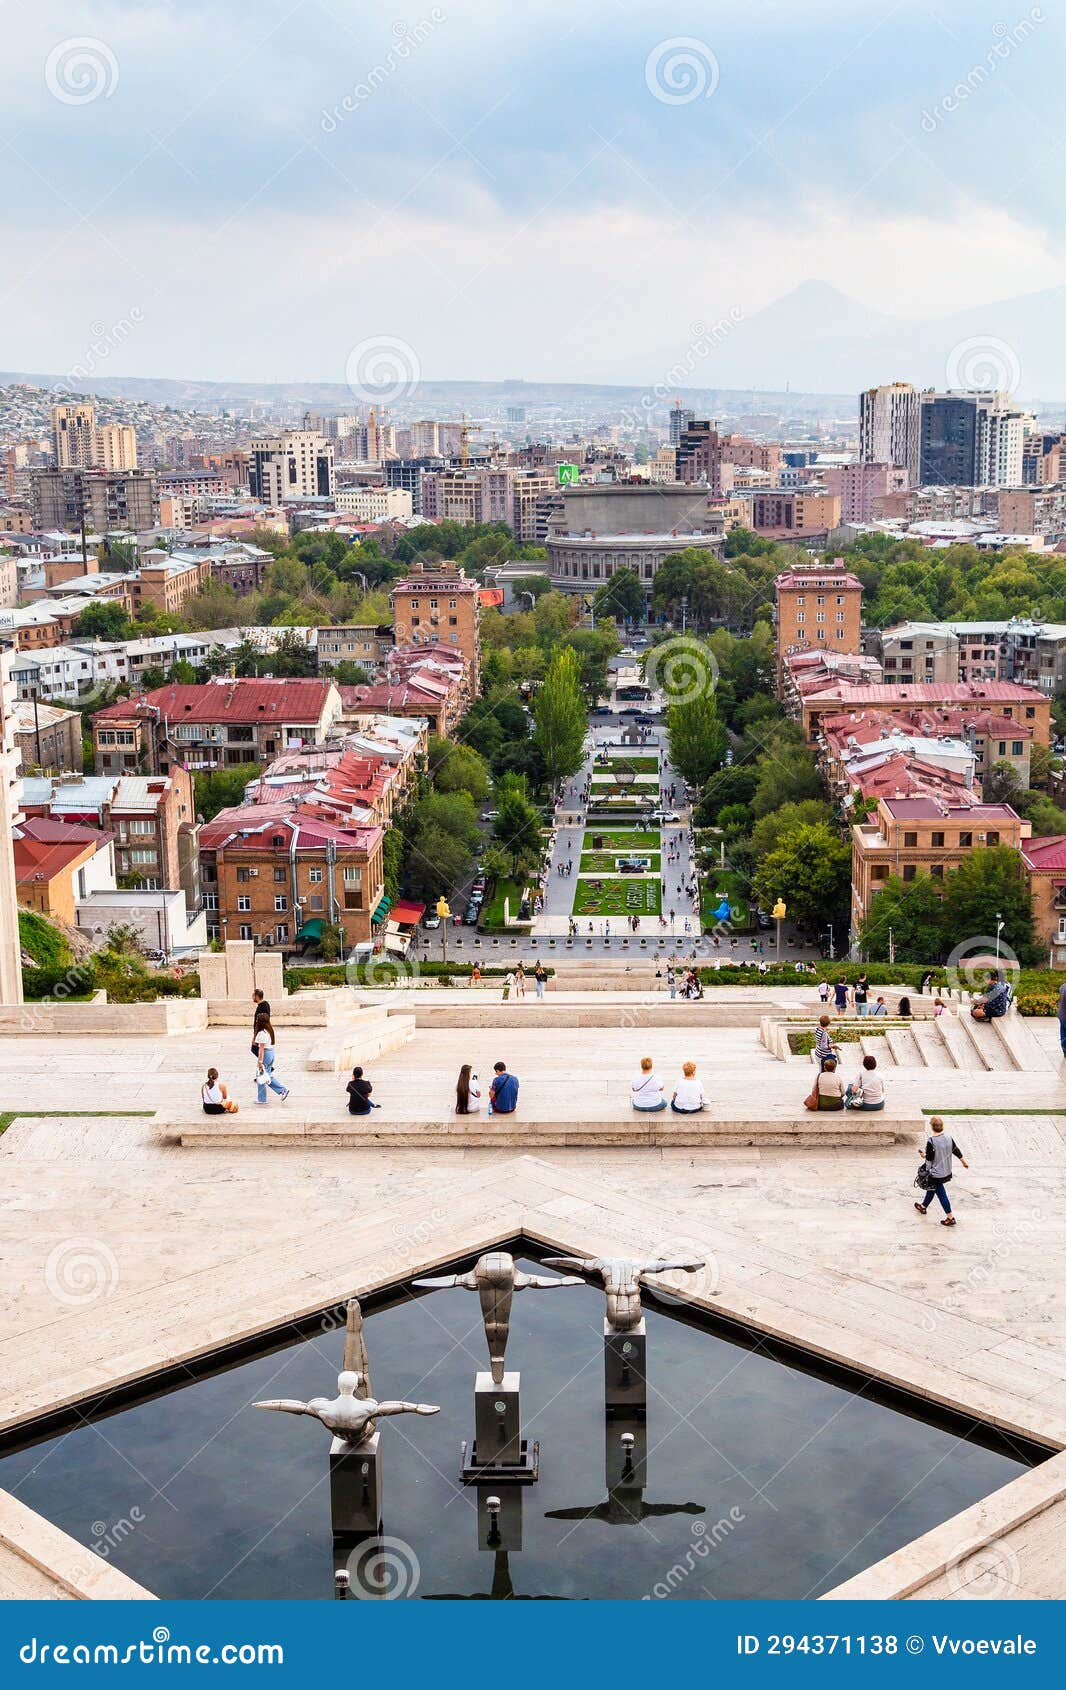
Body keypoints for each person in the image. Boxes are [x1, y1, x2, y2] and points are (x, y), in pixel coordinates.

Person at [914, 1115, 969, 1226]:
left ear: (932, 1127)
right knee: (932, 1188)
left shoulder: (931, 1141)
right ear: (942, 1126)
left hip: (935, 1173)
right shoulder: (949, 1137)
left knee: (941, 1194)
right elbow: (956, 1150)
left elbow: (929, 1159)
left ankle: (950, 1217)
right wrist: (964, 1162)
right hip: (946, 1171)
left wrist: (927, 1168)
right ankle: (923, 1206)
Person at [253, 1019, 289, 1105]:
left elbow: (261, 1049)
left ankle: (262, 1099)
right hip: (271, 1053)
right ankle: (282, 1090)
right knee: (267, 1076)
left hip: (265, 1054)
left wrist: (260, 1062)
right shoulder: (269, 1030)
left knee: (261, 1076)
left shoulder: (261, 1033)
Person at [1058, 977, 1066, 1060]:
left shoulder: (1063, 986)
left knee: (1063, 1032)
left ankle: (1065, 1051)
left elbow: (1060, 991)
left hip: (1061, 1014)